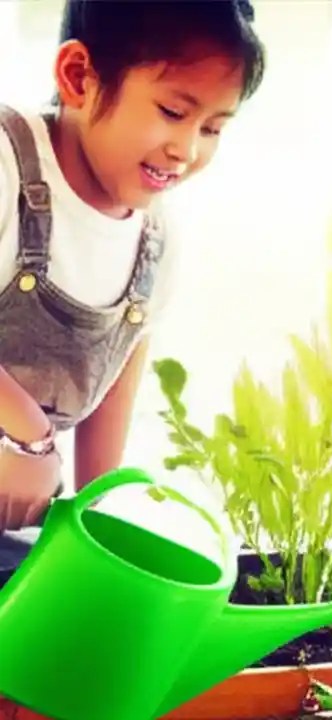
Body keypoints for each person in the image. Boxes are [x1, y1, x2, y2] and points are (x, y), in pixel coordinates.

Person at [0, 0, 266, 532]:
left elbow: (103, 446)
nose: (187, 150)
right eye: (173, 112)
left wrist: (97, 530)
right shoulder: (8, 162)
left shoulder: (155, 244)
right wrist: (26, 431)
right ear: (78, 77)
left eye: (213, 128)